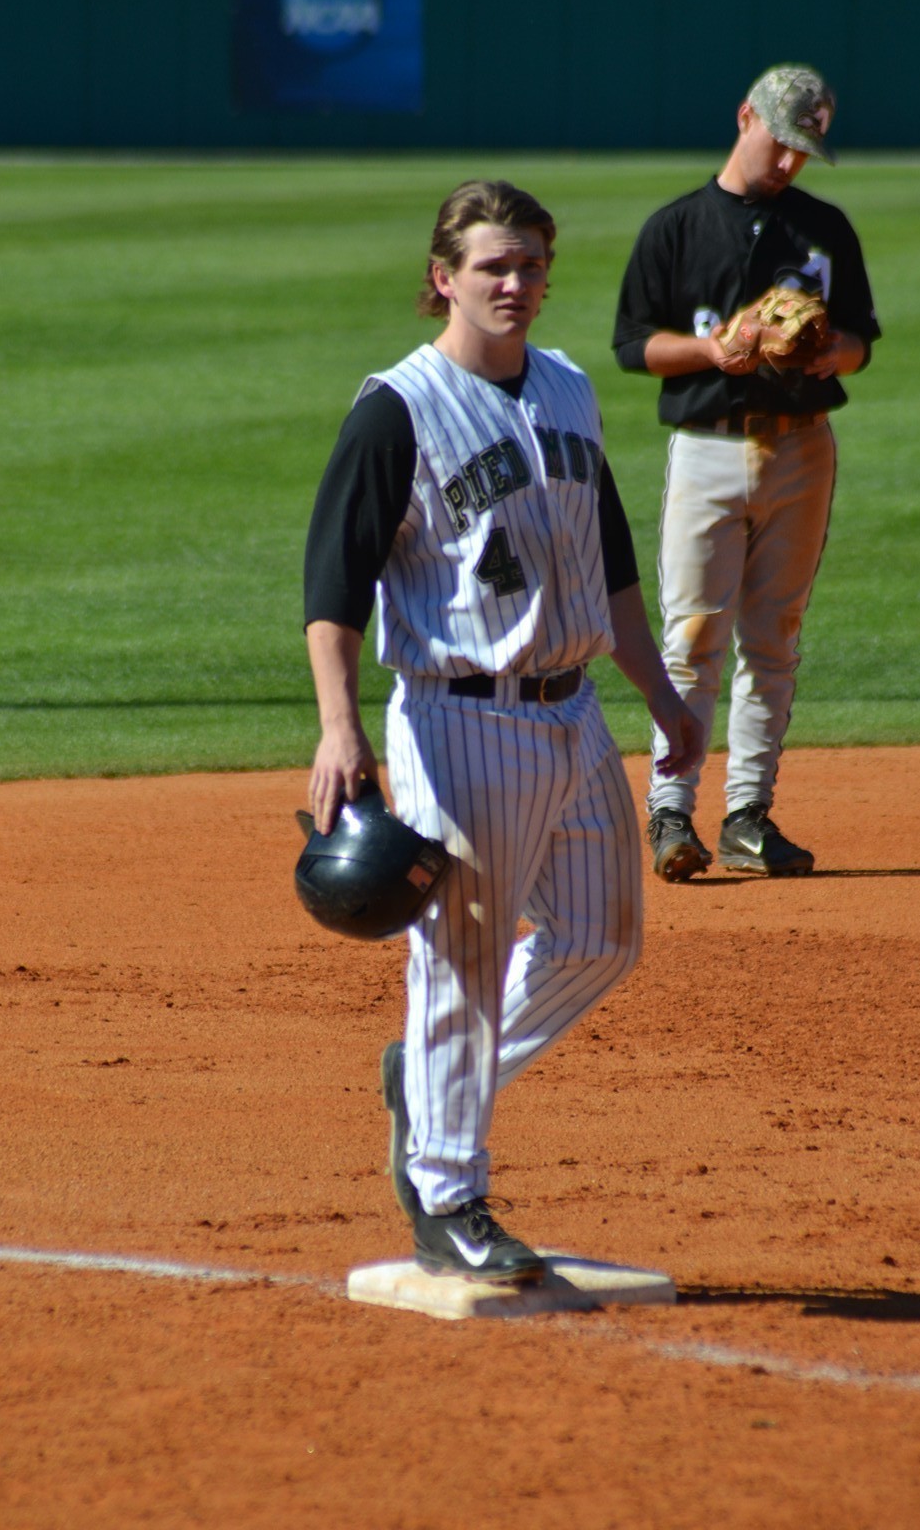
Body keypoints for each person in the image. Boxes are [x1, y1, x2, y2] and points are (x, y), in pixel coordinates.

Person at [303, 179, 701, 1284]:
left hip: (573, 713)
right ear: (442, 276)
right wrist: (339, 730)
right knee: (462, 966)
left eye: (530, 265)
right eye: (493, 267)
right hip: (459, 720)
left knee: (600, 939)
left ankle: (422, 1079)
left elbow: (609, 562)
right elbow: (332, 585)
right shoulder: (399, 407)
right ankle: (447, 1191)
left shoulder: (568, 387)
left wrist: (659, 698)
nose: (516, 285)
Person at [613, 64, 881, 880]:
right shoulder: (675, 228)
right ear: (744, 118)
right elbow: (635, 347)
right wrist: (713, 350)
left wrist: (822, 347)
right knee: (691, 639)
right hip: (707, 448)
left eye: (806, 151)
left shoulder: (824, 229)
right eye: (783, 143)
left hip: (802, 448)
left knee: (774, 639)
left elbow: (860, 343)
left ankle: (746, 817)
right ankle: (669, 814)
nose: (791, 163)